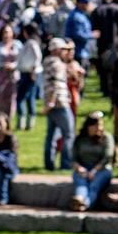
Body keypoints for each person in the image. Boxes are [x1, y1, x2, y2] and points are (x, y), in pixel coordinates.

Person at [68, 112, 117, 212]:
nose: (99, 128)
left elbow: (107, 157)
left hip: (102, 170)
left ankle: (85, 204)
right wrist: (79, 168)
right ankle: (79, 199)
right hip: (83, 168)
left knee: (94, 185)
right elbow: (73, 159)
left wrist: (94, 171)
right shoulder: (79, 139)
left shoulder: (106, 137)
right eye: (96, 125)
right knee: (81, 183)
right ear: (89, 126)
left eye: (101, 125)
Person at [39, 38, 76, 171]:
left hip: (51, 103)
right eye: (64, 50)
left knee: (51, 135)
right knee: (69, 133)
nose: (66, 52)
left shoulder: (48, 62)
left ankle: (49, 164)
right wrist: (52, 102)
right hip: (59, 102)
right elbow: (55, 83)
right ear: (57, 50)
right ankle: (66, 163)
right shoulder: (57, 64)